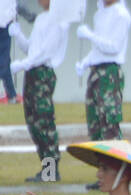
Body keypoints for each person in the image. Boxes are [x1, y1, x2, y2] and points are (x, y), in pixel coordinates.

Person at [8, 0, 68, 183]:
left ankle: (51, 170)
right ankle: (45, 167)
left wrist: (22, 64)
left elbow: (44, 52)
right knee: (33, 122)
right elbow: (31, 48)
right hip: (32, 72)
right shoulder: (42, 18)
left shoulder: (59, 20)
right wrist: (18, 35)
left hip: (43, 72)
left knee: (44, 122)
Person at [76, 0, 131, 150]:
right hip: (96, 70)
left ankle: (117, 166)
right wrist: (85, 62)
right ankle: (104, 167)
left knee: (109, 121)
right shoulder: (99, 14)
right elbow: (97, 49)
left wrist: (90, 35)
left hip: (110, 72)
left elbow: (113, 46)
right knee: (94, 122)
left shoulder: (121, 14)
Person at [0, 0, 17, 104]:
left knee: (5, 60)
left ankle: (11, 94)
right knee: (4, 61)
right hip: (5, 22)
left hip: (5, 24)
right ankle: (11, 95)